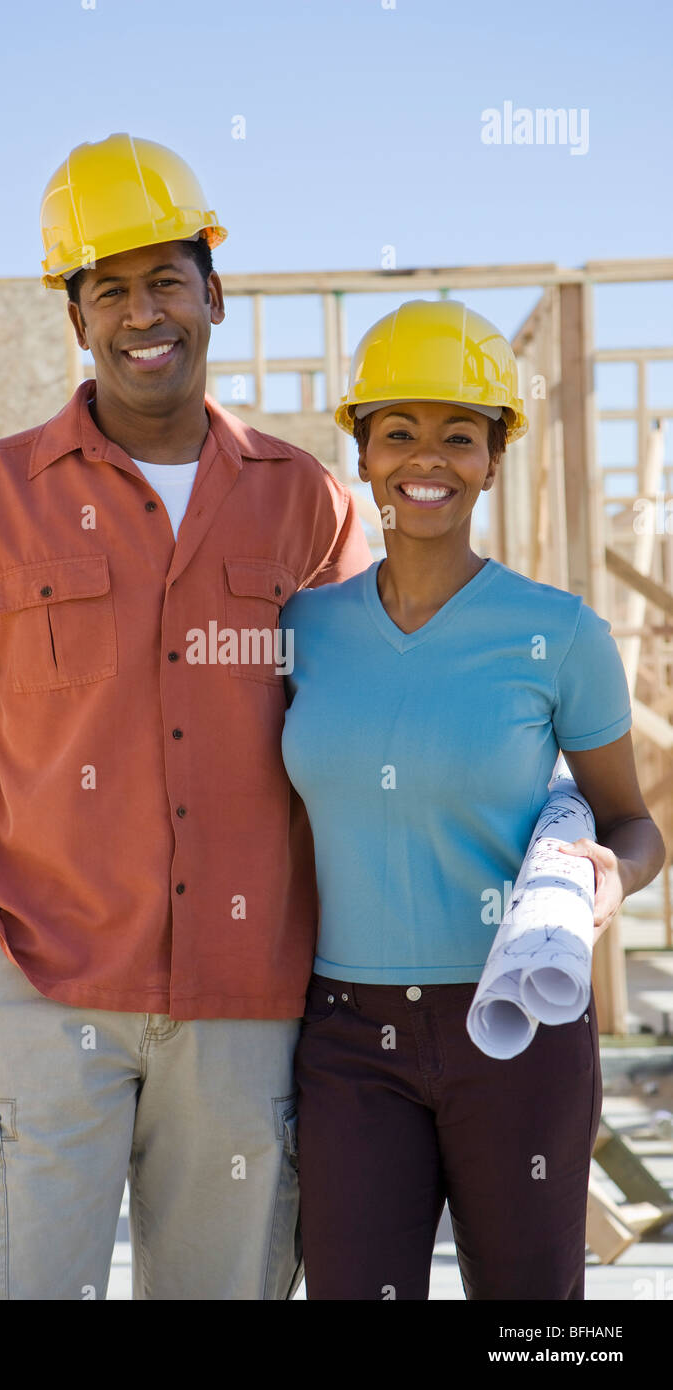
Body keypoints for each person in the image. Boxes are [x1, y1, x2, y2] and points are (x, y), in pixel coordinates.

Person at [0, 133, 372, 1300]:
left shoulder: (311, 504)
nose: (144, 313)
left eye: (165, 281)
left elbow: (353, 735)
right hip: (44, 983)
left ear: (214, 293)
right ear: (76, 318)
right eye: (110, 289)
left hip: (247, 1000)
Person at [279, 298, 665, 1301]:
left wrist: (611, 875)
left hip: (517, 1031)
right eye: (397, 431)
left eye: (460, 435)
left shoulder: (555, 633)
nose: (428, 458)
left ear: (492, 458)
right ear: (361, 452)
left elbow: (630, 822)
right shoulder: (300, 633)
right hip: (345, 1039)